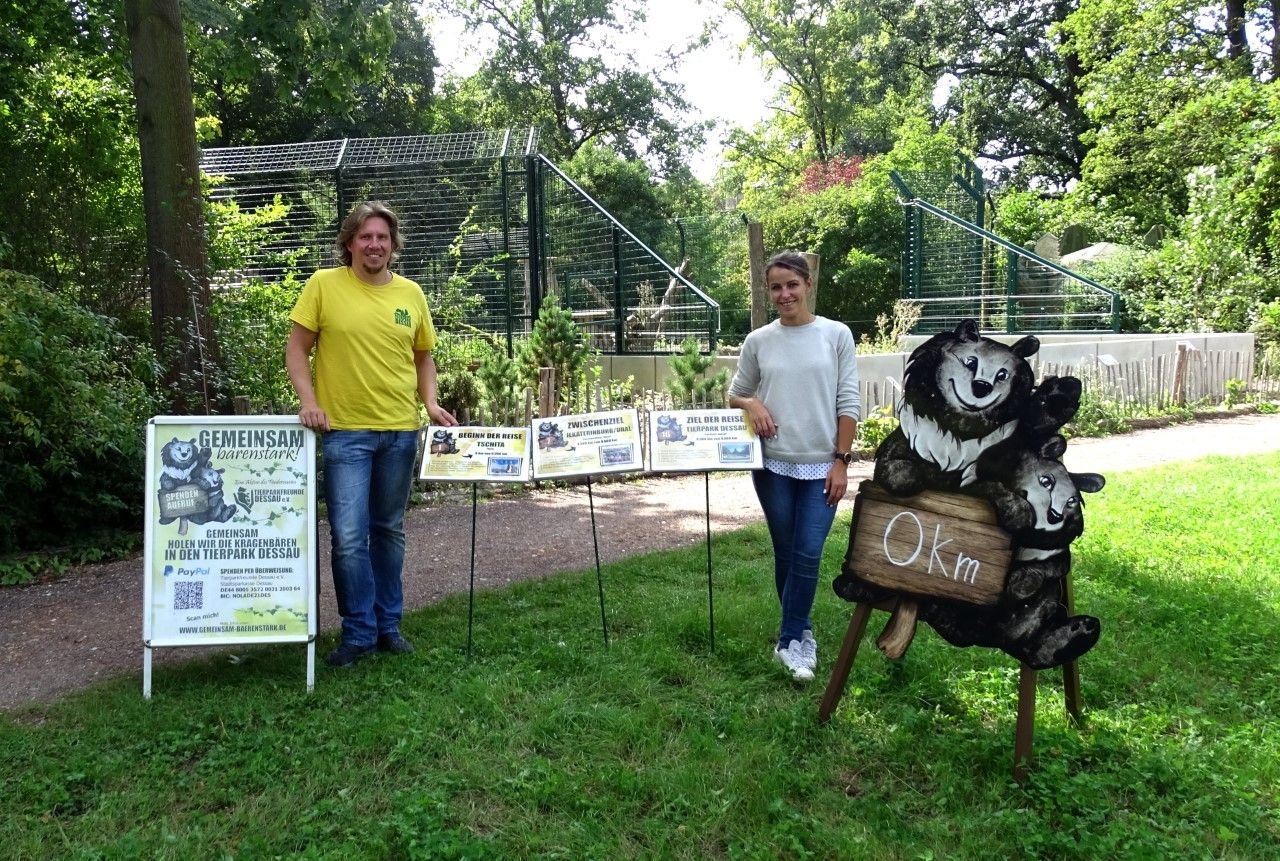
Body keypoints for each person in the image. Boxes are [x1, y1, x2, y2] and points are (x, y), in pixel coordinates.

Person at [286, 201, 458, 667]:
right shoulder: (323, 286)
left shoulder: (411, 295)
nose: (375, 245)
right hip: (345, 434)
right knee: (347, 536)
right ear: (349, 243)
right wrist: (309, 402)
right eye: (366, 237)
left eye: (382, 237)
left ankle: (388, 627)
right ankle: (357, 632)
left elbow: (424, 356)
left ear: (393, 244)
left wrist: (429, 402)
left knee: (389, 530)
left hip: (400, 432)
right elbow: (297, 351)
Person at [728, 251, 860, 682]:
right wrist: (752, 402)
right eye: (776, 287)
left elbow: (849, 402)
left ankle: (791, 642)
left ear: (807, 285)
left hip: (822, 465)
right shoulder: (759, 341)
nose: (784, 294)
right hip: (772, 466)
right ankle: (798, 632)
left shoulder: (836, 335)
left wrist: (841, 462)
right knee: (785, 552)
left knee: (808, 552)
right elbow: (736, 392)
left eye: (792, 285)